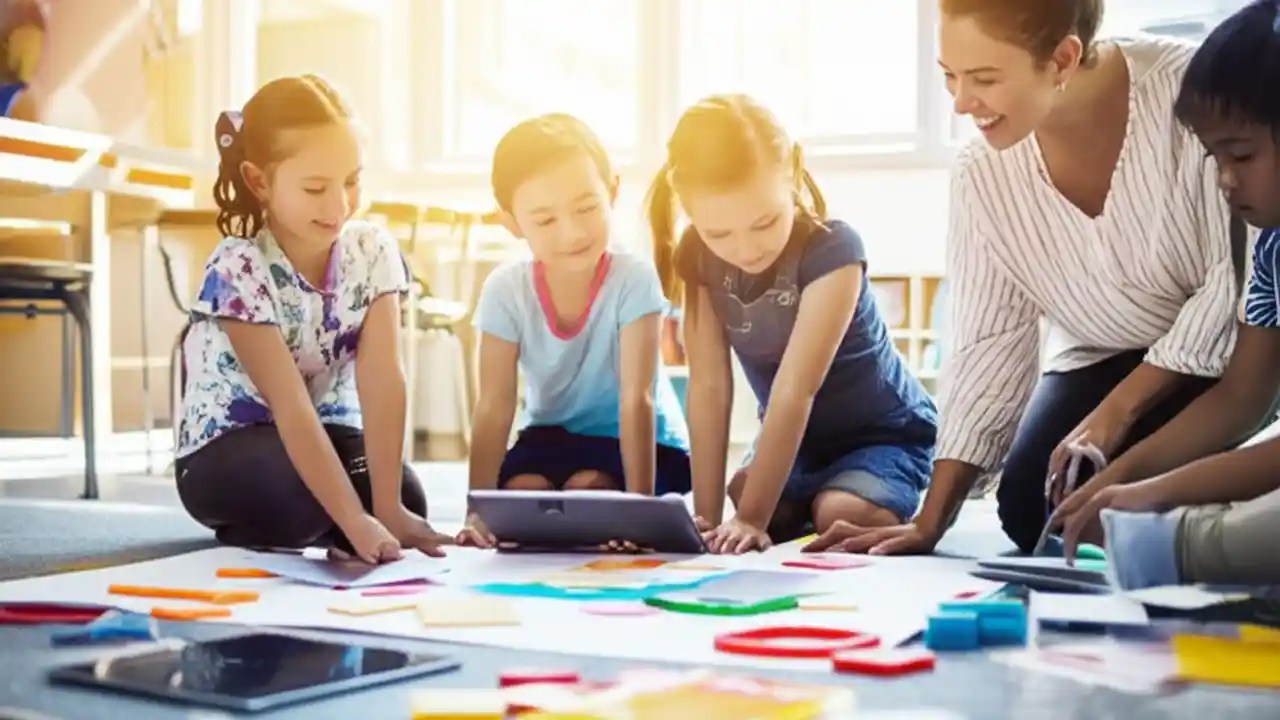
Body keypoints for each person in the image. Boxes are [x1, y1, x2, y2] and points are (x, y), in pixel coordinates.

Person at [807, 0, 1239, 557]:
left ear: (1062, 58)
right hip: (1104, 352)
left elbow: (1232, 286)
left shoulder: (1192, 90)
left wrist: (1114, 415)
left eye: (984, 78)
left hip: (1229, 354)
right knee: (1030, 506)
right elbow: (988, 347)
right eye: (950, 78)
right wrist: (929, 521)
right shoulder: (981, 174)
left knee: (1134, 491)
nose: (963, 103)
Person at [175, 75, 449, 564]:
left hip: (317, 428)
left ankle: (344, 519)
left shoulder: (372, 250)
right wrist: (352, 519)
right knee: (300, 500)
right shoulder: (238, 266)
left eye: (351, 181)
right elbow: (289, 405)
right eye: (316, 187)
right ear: (260, 181)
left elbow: (384, 378)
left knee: (408, 493)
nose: (339, 204)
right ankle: (303, 526)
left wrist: (386, 508)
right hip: (226, 449)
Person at [1052, 0, 1280, 588]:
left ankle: (1189, 549)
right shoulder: (1272, 247)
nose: (1226, 180)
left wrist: (1155, 496)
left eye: (1243, 154)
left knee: (1238, 526)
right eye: (1215, 157)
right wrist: (1115, 487)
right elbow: (1241, 400)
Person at [649, 94, 938, 555]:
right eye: (718, 233)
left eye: (764, 222)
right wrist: (707, 522)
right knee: (745, 494)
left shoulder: (833, 250)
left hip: (883, 432)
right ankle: (796, 497)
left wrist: (750, 520)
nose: (745, 249)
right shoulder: (697, 257)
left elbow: (794, 389)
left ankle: (859, 489)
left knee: (838, 515)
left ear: (793, 173)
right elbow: (707, 387)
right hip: (799, 444)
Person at [456, 113, 691, 548]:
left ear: (613, 191)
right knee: (521, 496)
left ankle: (607, 496)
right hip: (552, 437)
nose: (573, 232)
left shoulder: (633, 279)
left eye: (586, 208)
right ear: (511, 223)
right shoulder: (505, 290)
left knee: (592, 491)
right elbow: (494, 404)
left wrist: (638, 510)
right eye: (545, 220)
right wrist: (478, 510)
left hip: (638, 440)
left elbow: (635, 398)